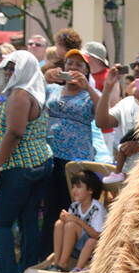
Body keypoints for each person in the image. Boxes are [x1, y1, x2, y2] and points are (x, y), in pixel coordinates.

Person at [0, 50, 53, 273]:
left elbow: (14, 132)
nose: (9, 72)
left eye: (14, 68)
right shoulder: (35, 91)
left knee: (0, 223)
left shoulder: (20, 95)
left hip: (17, 167)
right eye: (8, 68)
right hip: (40, 162)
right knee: (28, 222)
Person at [41, 49, 99, 257]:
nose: (73, 69)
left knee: (72, 209)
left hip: (76, 161)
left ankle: (69, 257)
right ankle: (48, 254)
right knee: (51, 208)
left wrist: (89, 88)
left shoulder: (89, 95)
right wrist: (44, 75)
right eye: (69, 64)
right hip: (51, 156)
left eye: (78, 65)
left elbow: (103, 116)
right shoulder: (52, 90)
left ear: (86, 71)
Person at [46, 170, 107, 272]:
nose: (74, 190)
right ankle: (56, 262)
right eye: (73, 187)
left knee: (71, 225)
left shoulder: (96, 208)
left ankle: (62, 264)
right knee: (59, 224)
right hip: (74, 246)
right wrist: (64, 218)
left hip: (90, 248)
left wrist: (76, 220)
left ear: (90, 190)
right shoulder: (74, 206)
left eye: (78, 187)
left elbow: (97, 236)